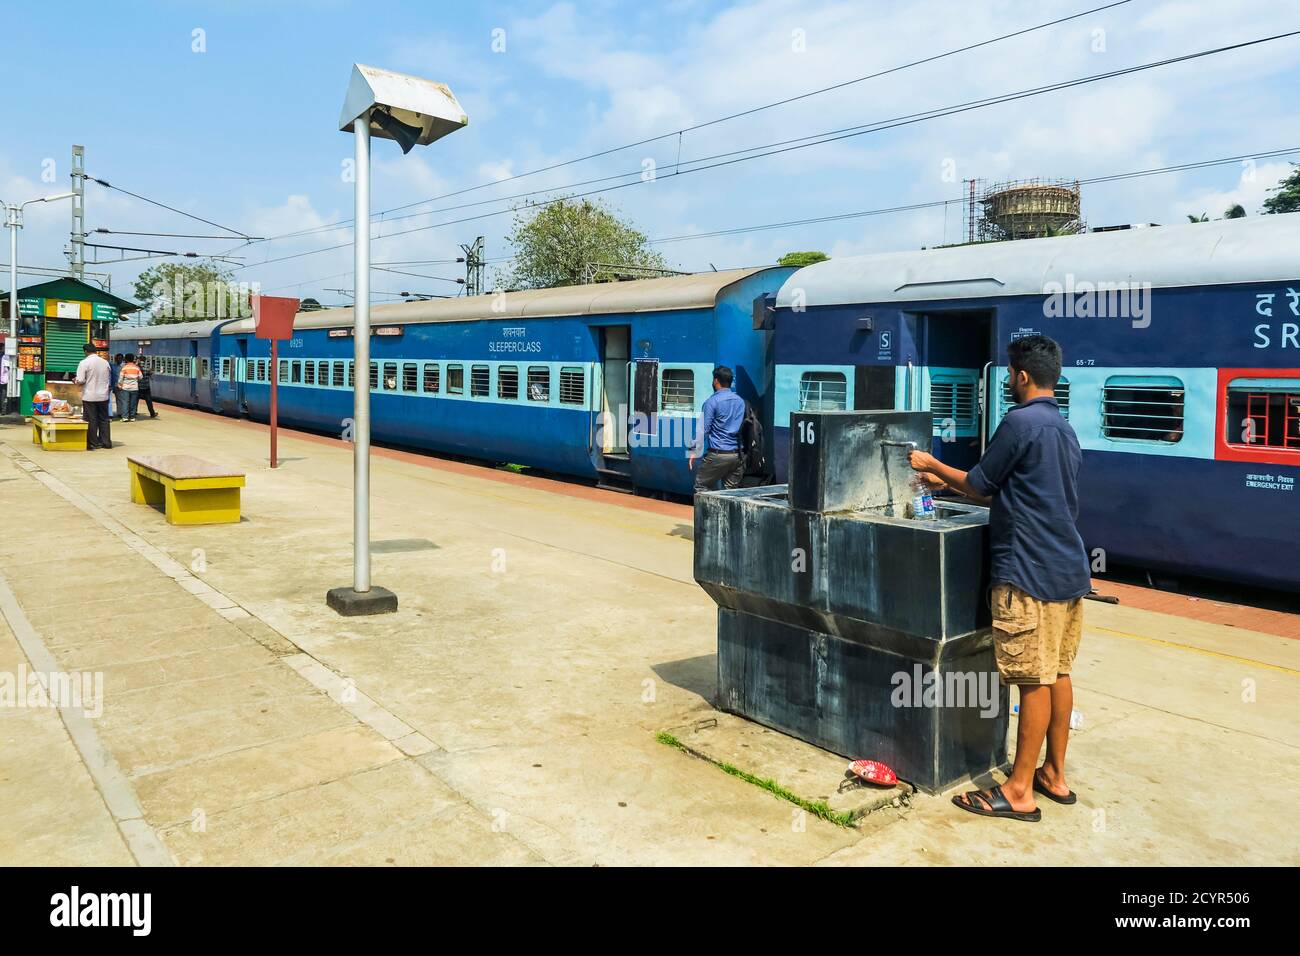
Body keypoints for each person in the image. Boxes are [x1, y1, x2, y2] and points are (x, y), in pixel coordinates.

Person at [908, 334, 1090, 823]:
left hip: (1027, 572)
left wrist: (929, 464)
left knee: (1031, 678)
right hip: (1067, 571)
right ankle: (1054, 774)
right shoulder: (1062, 428)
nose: (1008, 381)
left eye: (1009, 374)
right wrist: (944, 482)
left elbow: (980, 482)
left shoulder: (1019, 421)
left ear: (1023, 376)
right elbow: (1011, 491)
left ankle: (1018, 791)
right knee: (1058, 671)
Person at [688, 366, 746, 492]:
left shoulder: (711, 402)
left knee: (701, 486)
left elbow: (703, 429)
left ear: (715, 381)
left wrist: (693, 451)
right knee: (729, 494)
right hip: (737, 456)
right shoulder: (740, 401)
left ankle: (706, 512)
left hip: (718, 454)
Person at [75, 344, 113, 450]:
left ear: (86, 351)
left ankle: (93, 442)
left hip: (89, 396)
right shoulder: (105, 363)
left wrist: (76, 381)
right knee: (104, 419)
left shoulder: (84, 363)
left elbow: (81, 380)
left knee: (91, 419)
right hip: (103, 396)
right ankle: (106, 442)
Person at [118, 353, 142, 421]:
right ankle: (132, 417)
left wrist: (120, 385)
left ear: (126, 359)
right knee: (133, 403)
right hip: (135, 388)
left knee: (125, 402)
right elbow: (140, 377)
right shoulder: (136, 368)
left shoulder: (124, 368)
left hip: (125, 388)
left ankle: (125, 417)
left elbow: (120, 378)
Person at [137, 354, 158, 418]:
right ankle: (152, 413)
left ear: (139, 360)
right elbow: (151, 374)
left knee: (135, 401)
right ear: (145, 360)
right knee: (149, 401)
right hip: (146, 386)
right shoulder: (147, 367)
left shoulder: (137, 367)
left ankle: (133, 412)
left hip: (138, 386)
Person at [110, 353, 124, 420]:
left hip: (121, 385)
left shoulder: (124, 366)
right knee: (115, 400)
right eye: (117, 358)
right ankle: (117, 413)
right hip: (113, 385)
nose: (119, 360)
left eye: (120, 358)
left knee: (121, 399)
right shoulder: (112, 365)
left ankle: (121, 412)